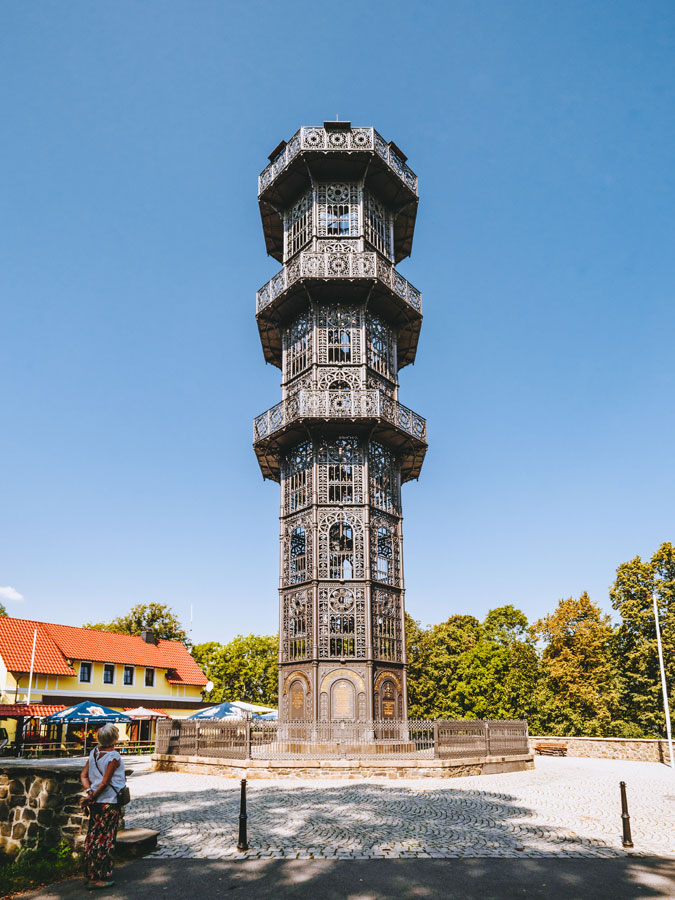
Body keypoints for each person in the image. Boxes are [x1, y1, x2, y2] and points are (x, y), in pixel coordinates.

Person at [80, 723, 126, 890]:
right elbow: (106, 782)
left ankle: (90, 872)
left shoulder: (94, 752)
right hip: (109, 802)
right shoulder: (113, 756)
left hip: (96, 803)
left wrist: (90, 793)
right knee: (104, 839)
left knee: (93, 836)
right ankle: (97, 877)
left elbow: (83, 775)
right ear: (115, 738)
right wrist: (95, 795)